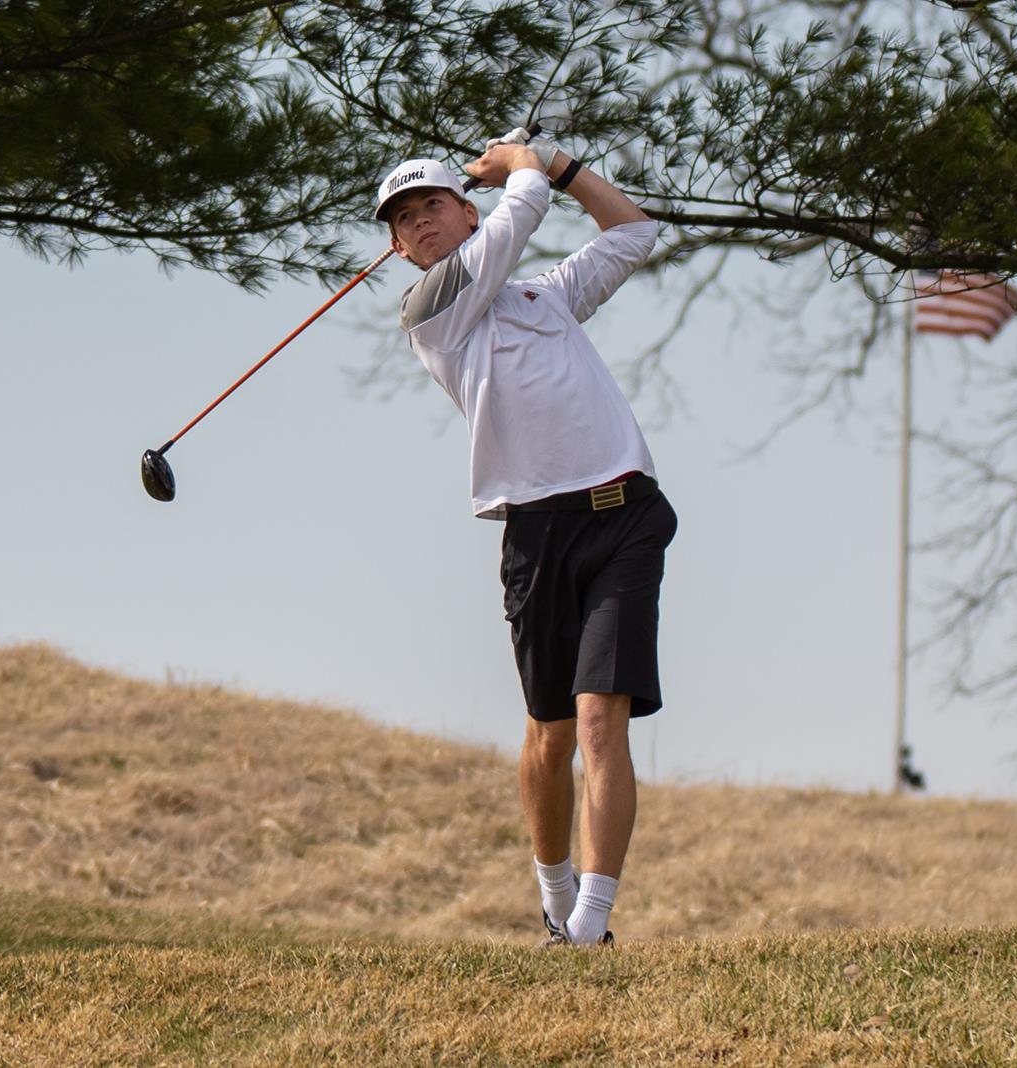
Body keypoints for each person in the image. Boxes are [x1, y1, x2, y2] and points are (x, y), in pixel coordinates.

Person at [376, 133, 673, 947]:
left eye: (433, 203)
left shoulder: (546, 296)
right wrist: (520, 165)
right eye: (404, 219)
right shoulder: (431, 311)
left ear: (466, 213)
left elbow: (634, 234)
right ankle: (555, 895)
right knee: (551, 734)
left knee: (600, 722)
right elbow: (525, 206)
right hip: (536, 534)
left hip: (626, 516)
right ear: (399, 251)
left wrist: (562, 164)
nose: (421, 221)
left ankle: (589, 929)